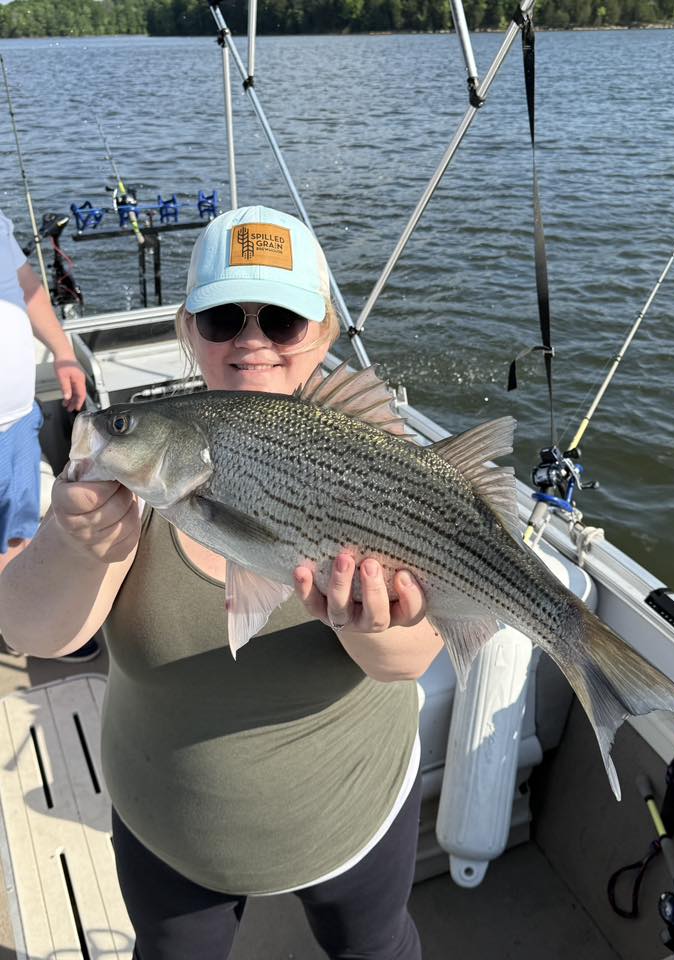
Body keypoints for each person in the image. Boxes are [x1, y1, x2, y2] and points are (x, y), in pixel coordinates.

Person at [0, 205, 444, 960]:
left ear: (325, 333)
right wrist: (74, 542)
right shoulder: (135, 471)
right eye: (221, 320)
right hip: (169, 832)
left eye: (281, 320)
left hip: (352, 815)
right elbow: (38, 632)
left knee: (375, 950)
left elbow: (415, 658)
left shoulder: (376, 454)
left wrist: (380, 626)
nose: (252, 342)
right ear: (186, 329)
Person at [0, 207, 98, 662]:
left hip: (17, 422)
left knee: (16, 527)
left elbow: (26, 286)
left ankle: (13, 624)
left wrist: (62, 352)